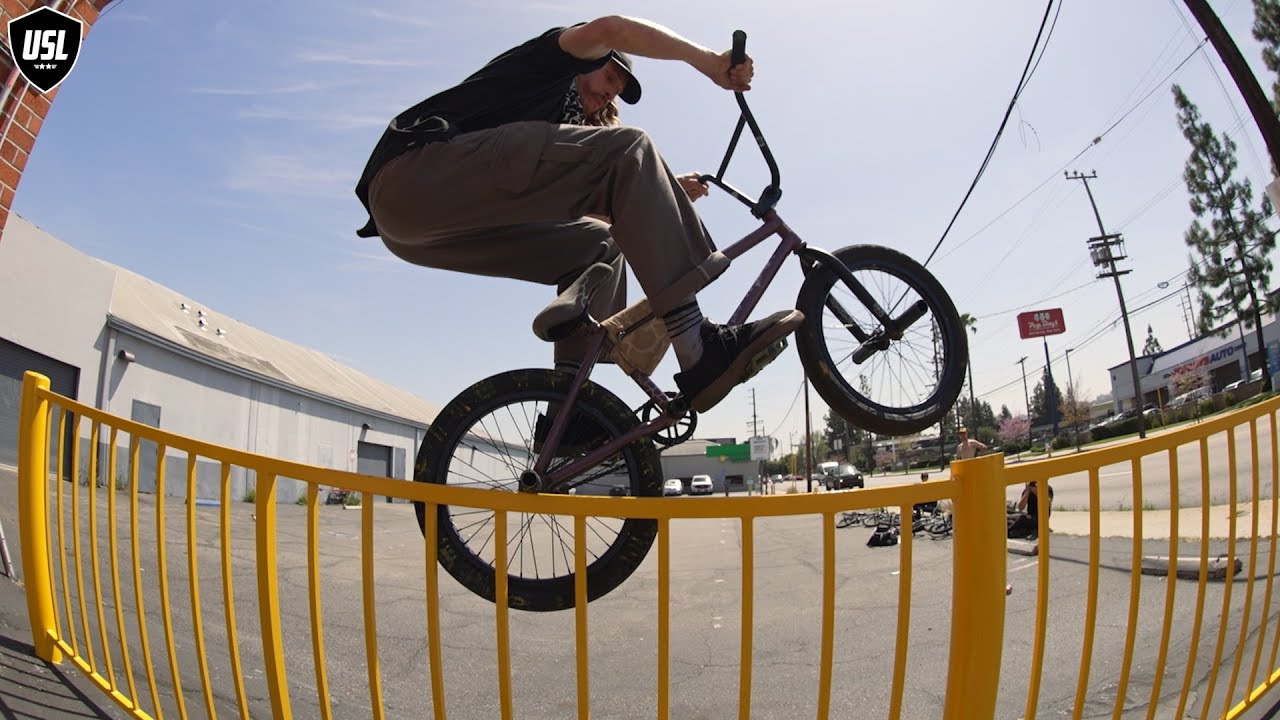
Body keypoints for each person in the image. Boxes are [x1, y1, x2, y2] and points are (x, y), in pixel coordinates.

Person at [354, 16, 802, 420]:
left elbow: (596, 202)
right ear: (587, 61)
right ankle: (698, 348)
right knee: (631, 148)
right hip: (413, 175)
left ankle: (569, 410)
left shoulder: (554, 152)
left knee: (601, 244)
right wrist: (705, 61)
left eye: (618, 90)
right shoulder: (547, 65)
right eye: (609, 75)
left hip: (423, 234)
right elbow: (611, 29)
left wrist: (661, 191)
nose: (610, 91)